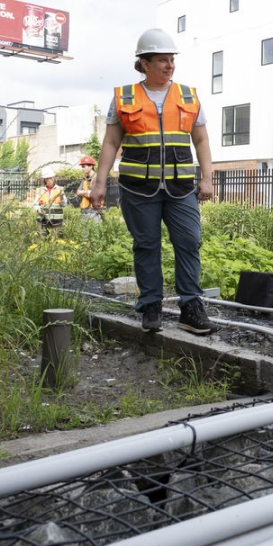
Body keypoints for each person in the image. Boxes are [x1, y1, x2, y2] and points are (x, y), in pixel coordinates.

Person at [90, 28, 216, 336]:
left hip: (181, 188)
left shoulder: (188, 96)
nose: (169, 65)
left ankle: (191, 308)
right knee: (146, 246)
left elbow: (201, 140)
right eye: (162, 60)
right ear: (144, 64)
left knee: (189, 241)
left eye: (171, 59)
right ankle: (151, 306)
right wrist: (99, 182)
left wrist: (207, 178)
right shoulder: (124, 97)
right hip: (137, 188)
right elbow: (110, 142)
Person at [33, 166, 67, 235]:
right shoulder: (40, 190)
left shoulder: (60, 189)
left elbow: (64, 204)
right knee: (42, 236)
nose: (49, 180)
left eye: (50, 178)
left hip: (57, 220)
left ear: (54, 178)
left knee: (57, 237)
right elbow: (35, 204)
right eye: (47, 178)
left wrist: (62, 198)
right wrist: (38, 210)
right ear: (44, 180)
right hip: (43, 219)